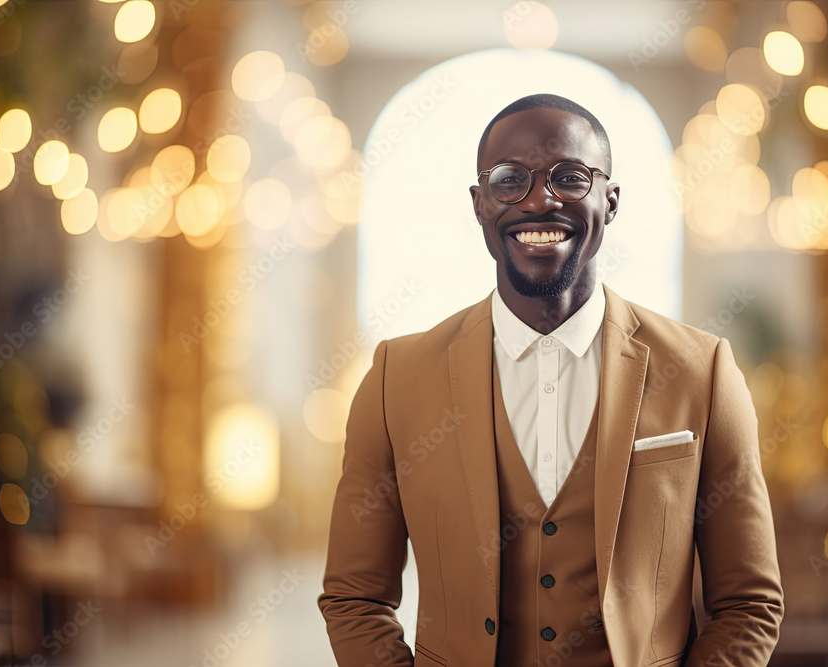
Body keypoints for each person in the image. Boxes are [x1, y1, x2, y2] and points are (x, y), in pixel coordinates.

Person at [318, 93, 784, 666]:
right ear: (480, 204)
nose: (540, 200)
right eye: (510, 180)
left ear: (611, 201)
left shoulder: (701, 371)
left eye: (570, 178)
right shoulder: (397, 378)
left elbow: (748, 603)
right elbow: (354, 597)